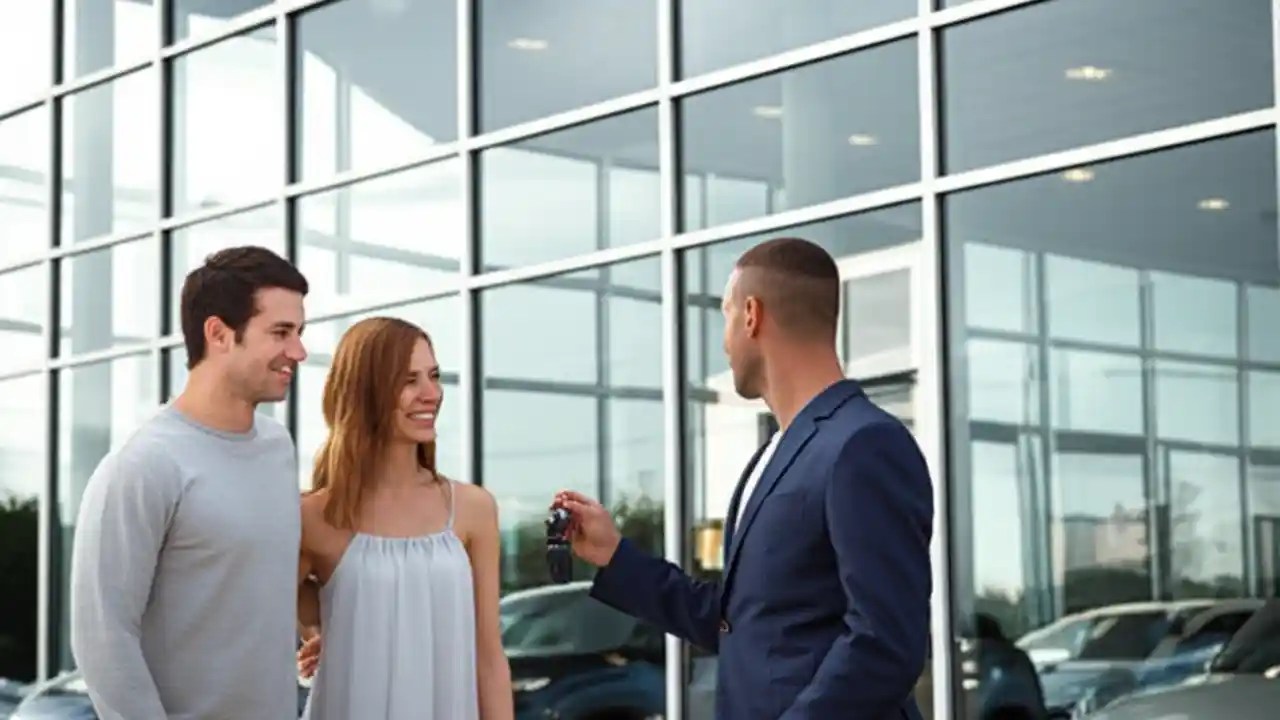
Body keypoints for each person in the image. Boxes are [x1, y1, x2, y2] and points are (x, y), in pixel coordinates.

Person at [554, 237, 934, 720]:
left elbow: (886, 643)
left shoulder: (864, 444)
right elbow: (743, 623)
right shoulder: (773, 454)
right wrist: (614, 556)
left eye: (726, 315)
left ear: (752, 314)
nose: (724, 340)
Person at [69, 246, 309, 719]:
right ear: (218, 334)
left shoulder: (277, 448)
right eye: (281, 332)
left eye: (299, 332)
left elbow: (255, 582)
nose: (298, 352)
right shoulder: (145, 465)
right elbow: (103, 636)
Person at [295, 316, 513, 720]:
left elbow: (489, 658)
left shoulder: (473, 509)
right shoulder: (314, 517)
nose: (431, 394)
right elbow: (259, 612)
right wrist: (321, 630)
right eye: (408, 380)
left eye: (434, 376)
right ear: (366, 391)